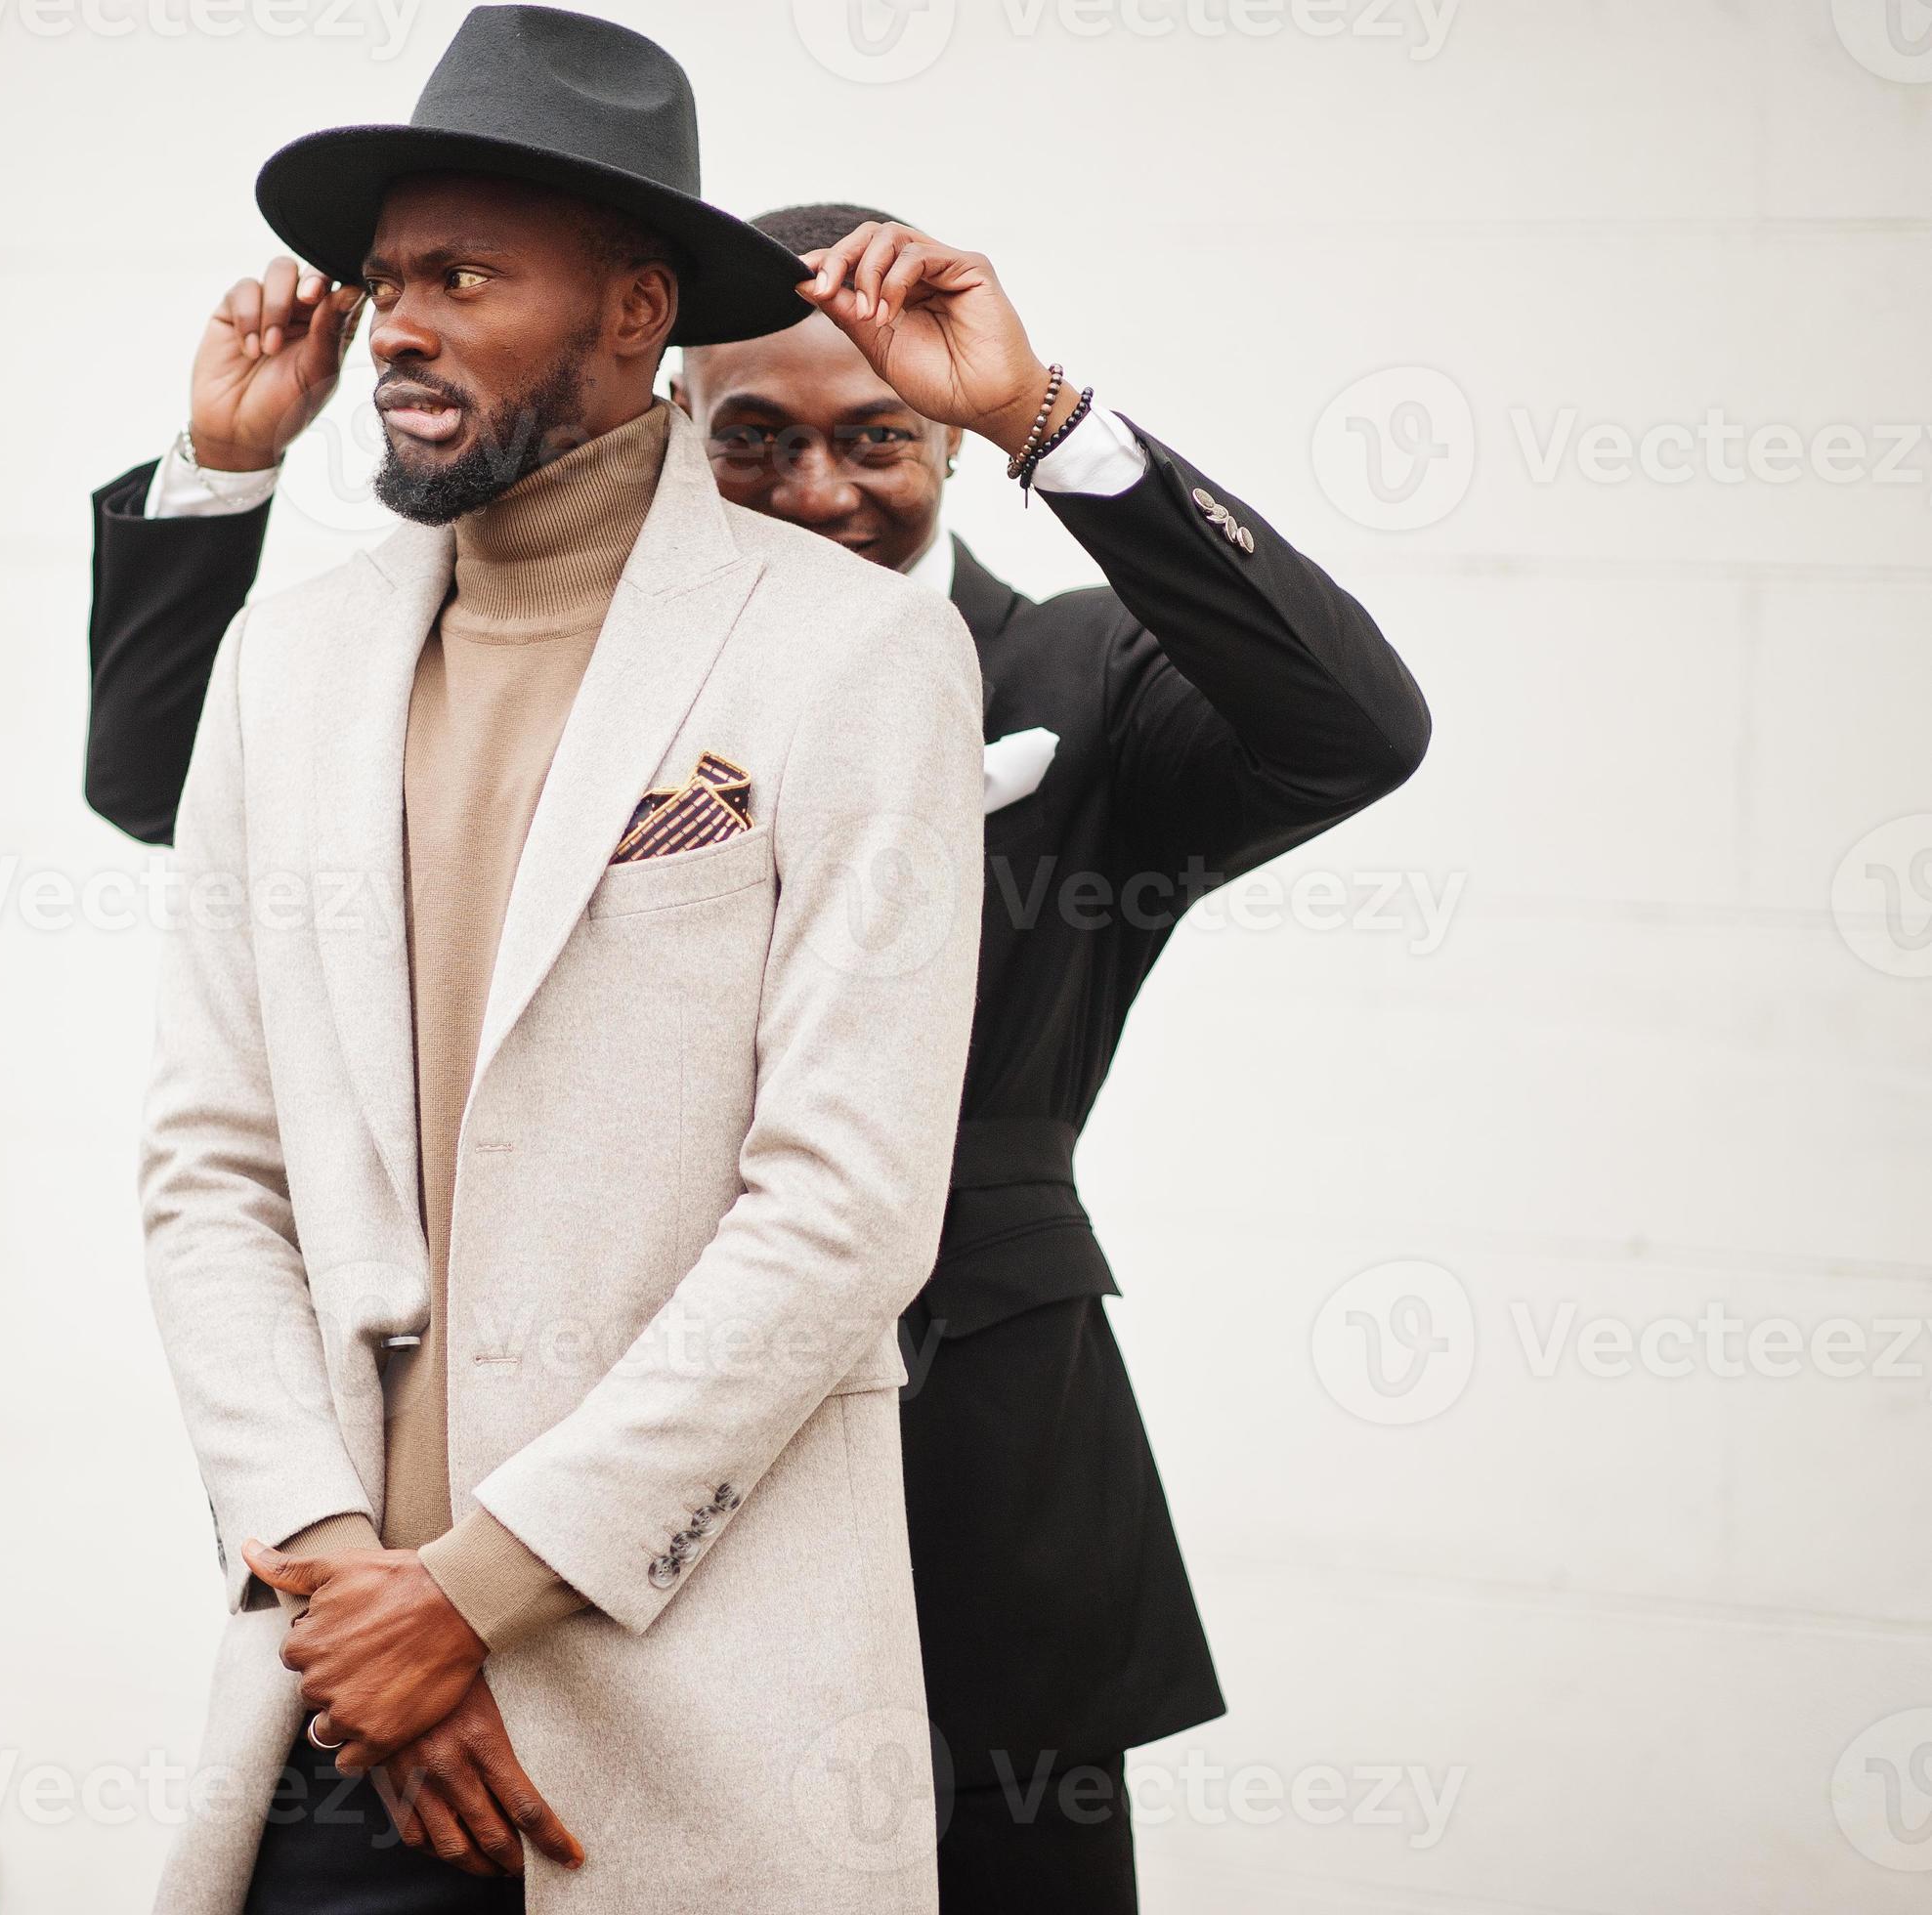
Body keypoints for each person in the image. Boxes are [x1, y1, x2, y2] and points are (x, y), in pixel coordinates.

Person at [97, 193, 1431, 1915]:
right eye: (756, 441)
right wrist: (222, 477)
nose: (821, 489)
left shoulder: (1070, 674)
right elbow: (174, 794)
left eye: (878, 438)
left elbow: (1354, 727)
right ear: (668, 410)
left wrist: (1043, 419)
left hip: (974, 1484)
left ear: (939, 443)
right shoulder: (571, 668)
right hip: (552, 1454)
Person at [136, 10, 988, 1912]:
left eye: (462, 275)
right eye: (384, 280)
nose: (401, 326)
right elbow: (212, 1164)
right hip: (337, 1700)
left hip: (673, 1711)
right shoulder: (288, 664)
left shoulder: (851, 656)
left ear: (632, 312)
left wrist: (481, 1583)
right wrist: (340, 1567)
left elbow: (844, 1209)